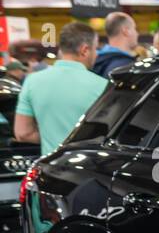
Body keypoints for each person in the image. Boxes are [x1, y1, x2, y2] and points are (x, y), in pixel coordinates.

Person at [13, 22, 109, 155]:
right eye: (95, 49)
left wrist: (52, 137)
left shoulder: (32, 81)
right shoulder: (104, 86)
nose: (97, 54)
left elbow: (23, 134)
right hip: (89, 169)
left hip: (50, 169)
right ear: (85, 50)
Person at [92, 12, 138, 77]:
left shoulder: (95, 61)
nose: (137, 33)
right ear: (126, 31)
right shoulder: (126, 67)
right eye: (135, 28)